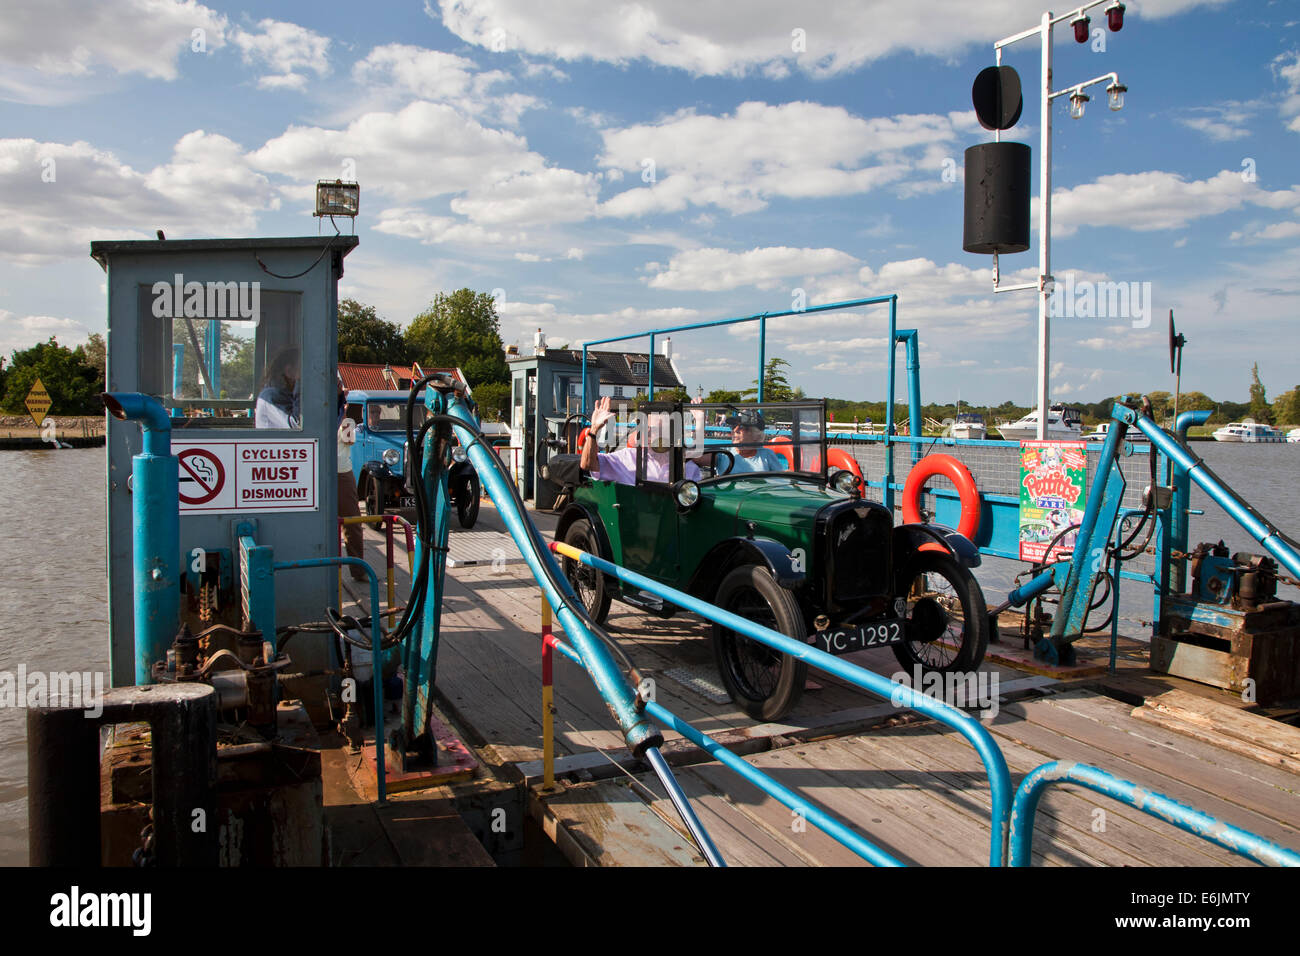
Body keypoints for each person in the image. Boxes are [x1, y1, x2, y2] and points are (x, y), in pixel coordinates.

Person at [579, 395, 701, 484]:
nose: (648, 434)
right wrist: (594, 429)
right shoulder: (627, 458)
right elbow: (588, 464)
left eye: (655, 430)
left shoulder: (688, 467)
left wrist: (700, 420)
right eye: (646, 429)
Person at [336, 386, 367, 582]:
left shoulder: (343, 418)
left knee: (350, 522)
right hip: (340, 472)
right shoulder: (344, 419)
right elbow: (349, 441)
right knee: (352, 522)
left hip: (336, 471)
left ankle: (355, 569)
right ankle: (358, 570)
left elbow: (348, 439)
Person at [719, 409, 787, 473]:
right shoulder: (723, 453)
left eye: (741, 427)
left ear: (755, 435)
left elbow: (781, 479)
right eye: (733, 426)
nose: (735, 430)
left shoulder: (767, 455)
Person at [255, 348, 301, 429]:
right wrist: (301, 383)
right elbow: (297, 424)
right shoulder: (271, 395)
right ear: (289, 371)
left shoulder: (285, 394)